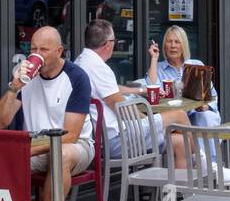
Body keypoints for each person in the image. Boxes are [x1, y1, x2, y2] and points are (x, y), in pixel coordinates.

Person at [0, 26, 94, 201]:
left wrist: (30, 150)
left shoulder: (76, 77)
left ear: (59, 51)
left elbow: (69, 135)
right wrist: (14, 87)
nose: (36, 54)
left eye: (43, 49)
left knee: (61, 155)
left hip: (76, 147)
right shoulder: (26, 76)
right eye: (33, 49)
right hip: (35, 147)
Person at [78, 20, 190, 165]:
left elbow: (112, 89)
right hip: (117, 140)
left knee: (179, 140)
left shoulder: (82, 62)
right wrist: (147, 118)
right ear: (107, 44)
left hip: (108, 137)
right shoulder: (98, 68)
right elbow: (122, 108)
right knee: (179, 115)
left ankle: (177, 185)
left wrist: (141, 90)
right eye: (114, 41)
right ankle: (203, 160)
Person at [148, 24, 220, 127]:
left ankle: (201, 143)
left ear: (183, 45)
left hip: (197, 114)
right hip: (172, 117)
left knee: (205, 117)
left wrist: (206, 106)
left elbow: (212, 94)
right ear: (164, 45)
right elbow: (151, 89)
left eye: (177, 42)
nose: (173, 46)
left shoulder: (197, 65)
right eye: (169, 41)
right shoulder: (157, 68)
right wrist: (154, 59)